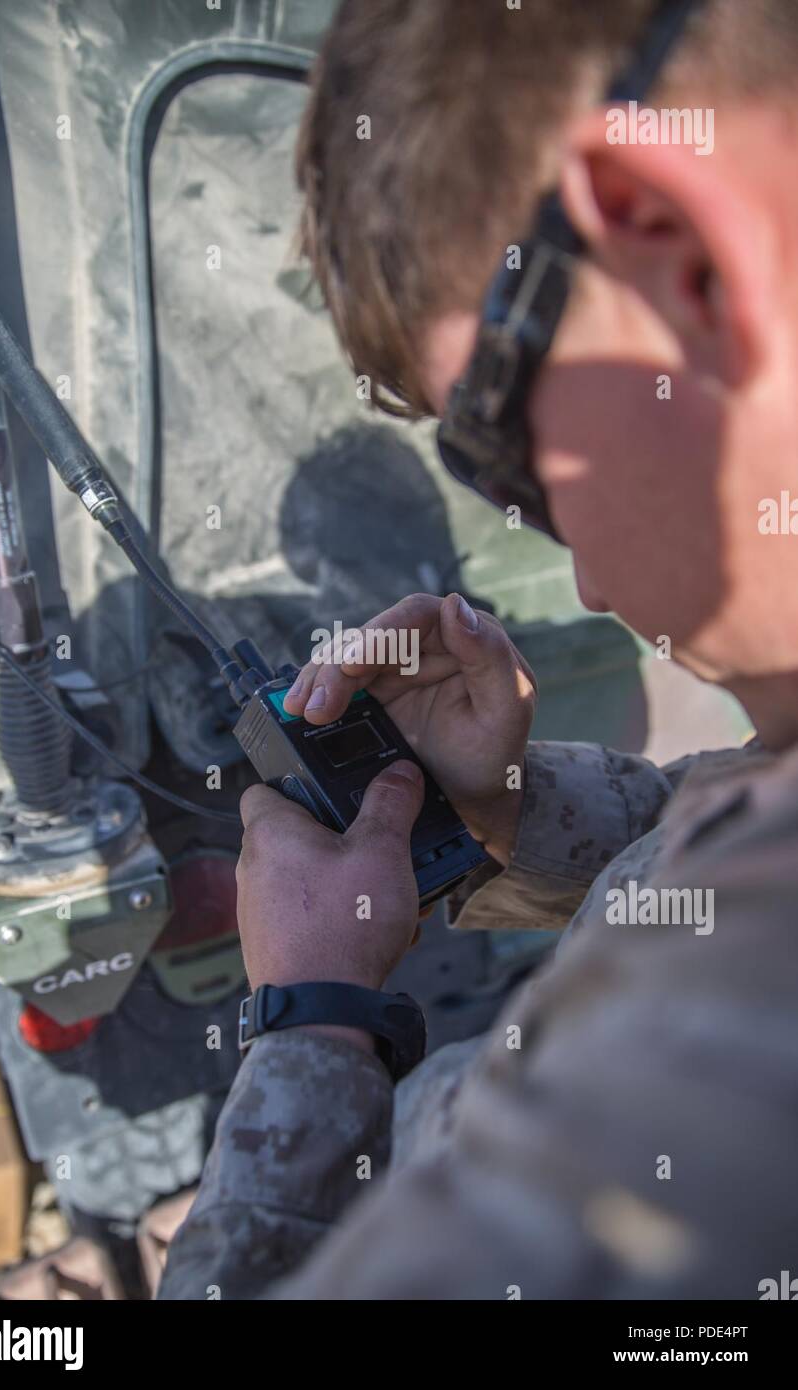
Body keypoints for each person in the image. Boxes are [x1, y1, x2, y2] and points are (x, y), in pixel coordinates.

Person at [159, 0, 798, 1299]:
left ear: (684, 260)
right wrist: (501, 800)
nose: (580, 571)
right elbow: (719, 821)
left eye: (508, 462)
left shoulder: (703, 1077)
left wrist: (312, 1023)